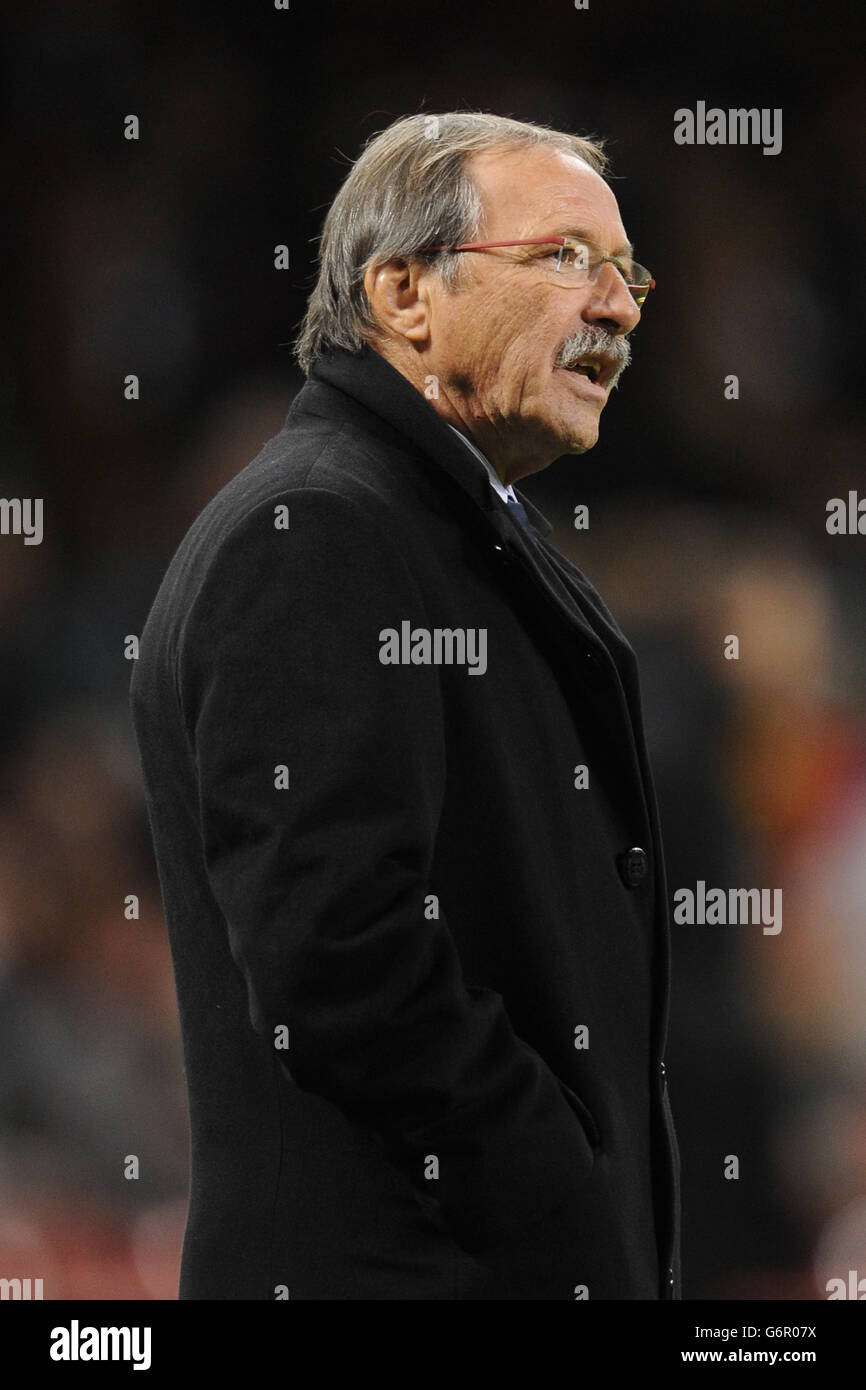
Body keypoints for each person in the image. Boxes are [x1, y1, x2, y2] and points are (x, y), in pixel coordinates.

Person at [129, 111, 681, 1300]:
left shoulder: (432, 530)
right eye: (563, 258)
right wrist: (559, 1193)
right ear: (403, 294)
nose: (618, 307)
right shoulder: (317, 533)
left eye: (625, 271)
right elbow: (337, 955)